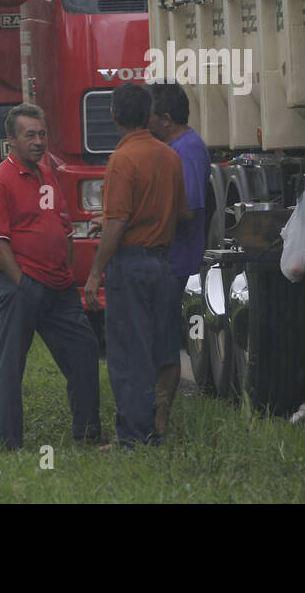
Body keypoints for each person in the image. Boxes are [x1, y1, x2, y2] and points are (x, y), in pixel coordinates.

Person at [0, 103, 101, 449]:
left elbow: (63, 227)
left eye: (42, 134)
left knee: (85, 349)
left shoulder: (48, 174)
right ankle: (9, 441)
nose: (38, 141)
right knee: (12, 363)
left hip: (58, 286)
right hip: (22, 286)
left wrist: (66, 271)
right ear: (11, 140)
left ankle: (87, 431)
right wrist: (22, 283)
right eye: (29, 135)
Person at [83, 83, 184, 447]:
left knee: (128, 354)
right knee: (160, 349)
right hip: (162, 264)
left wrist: (95, 273)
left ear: (113, 115)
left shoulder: (122, 160)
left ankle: (133, 437)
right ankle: (157, 427)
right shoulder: (169, 155)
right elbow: (177, 210)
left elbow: (118, 222)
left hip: (130, 264)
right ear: (148, 115)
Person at [148, 82, 208, 437]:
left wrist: (144, 217)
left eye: (151, 117)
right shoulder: (176, 147)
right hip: (166, 259)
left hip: (176, 260)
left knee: (164, 340)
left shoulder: (187, 151)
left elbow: (187, 209)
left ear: (166, 120)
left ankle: (159, 419)